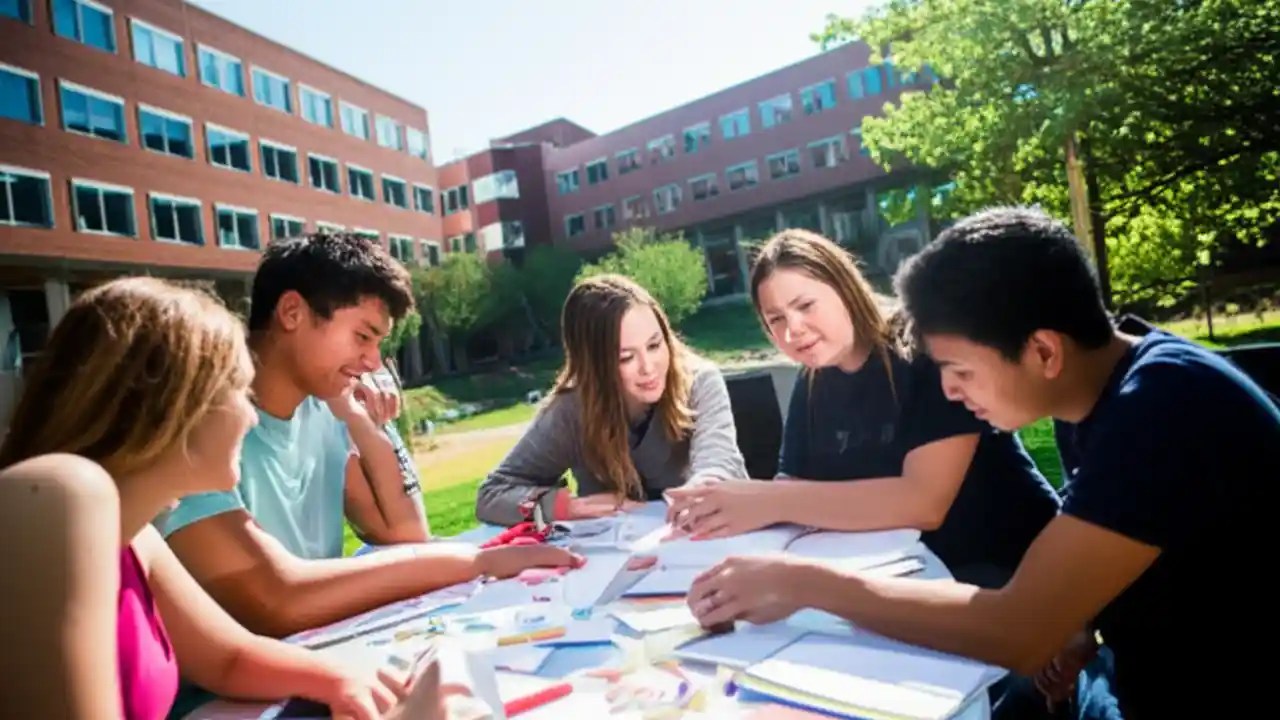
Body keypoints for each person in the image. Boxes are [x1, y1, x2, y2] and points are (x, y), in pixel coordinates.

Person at [686, 208, 1279, 719]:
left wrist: (805, 583)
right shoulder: (1100, 393)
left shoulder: (1160, 406)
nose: (947, 393)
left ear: (1044, 350)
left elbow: (1019, 632)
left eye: (959, 371)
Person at [0, 278, 473, 720]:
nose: (250, 417)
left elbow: (227, 658)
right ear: (172, 403)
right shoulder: (55, 503)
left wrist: (345, 679)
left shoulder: (134, 534)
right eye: (236, 391)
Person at [153, 233, 580, 639]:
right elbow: (275, 601)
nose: (374, 360)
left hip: (317, 650)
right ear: (291, 313)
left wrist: (364, 421)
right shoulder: (199, 427)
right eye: (362, 336)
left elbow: (404, 532)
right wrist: (478, 562)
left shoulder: (323, 410)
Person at [666, 229, 1061, 587]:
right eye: (776, 320)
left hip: (1009, 571)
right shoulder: (813, 379)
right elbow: (792, 486)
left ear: (845, 287)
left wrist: (767, 499)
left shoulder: (923, 350)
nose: (793, 330)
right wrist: (723, 504)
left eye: (806, 305)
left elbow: (923, 503)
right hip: (903, 575)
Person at [475, 274, 748, 526]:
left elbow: (718, 465)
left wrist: (699, 494)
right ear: (594, 366)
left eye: (654, 345)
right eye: (625, 357)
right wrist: (566, 508)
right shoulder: (572, 410)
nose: (648, 367)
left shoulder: (700, 381)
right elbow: (492, 496)